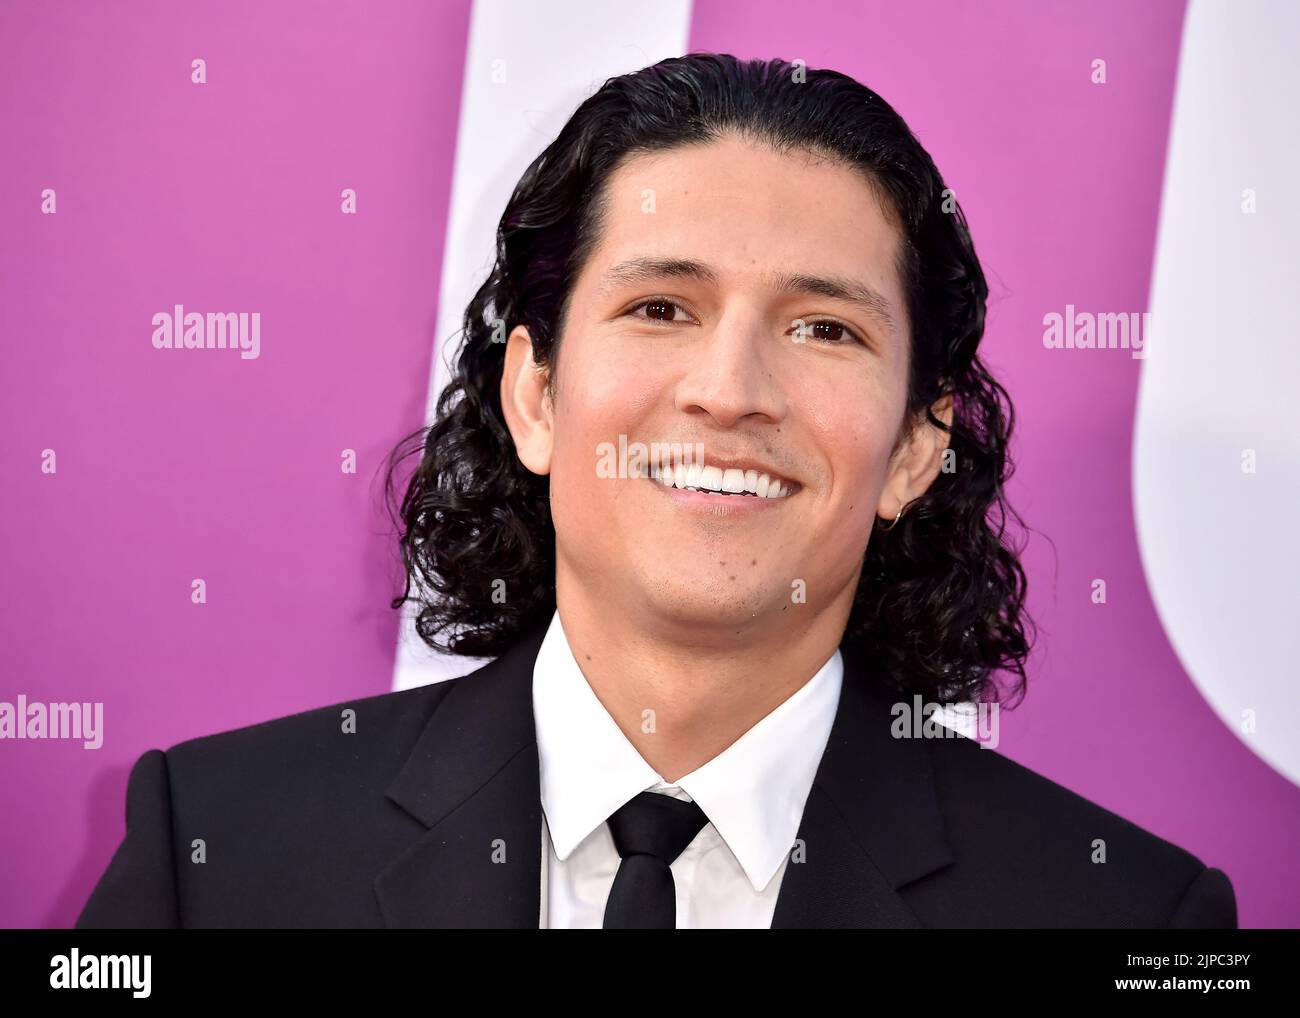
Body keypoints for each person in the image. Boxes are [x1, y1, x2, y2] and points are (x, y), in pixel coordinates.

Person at [77, 53, 1236, 929]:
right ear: (533, 394)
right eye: (660, 308)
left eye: (823, 326)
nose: (729, 391)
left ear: (916, 448)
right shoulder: (215, 847)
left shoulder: (1127, 915)